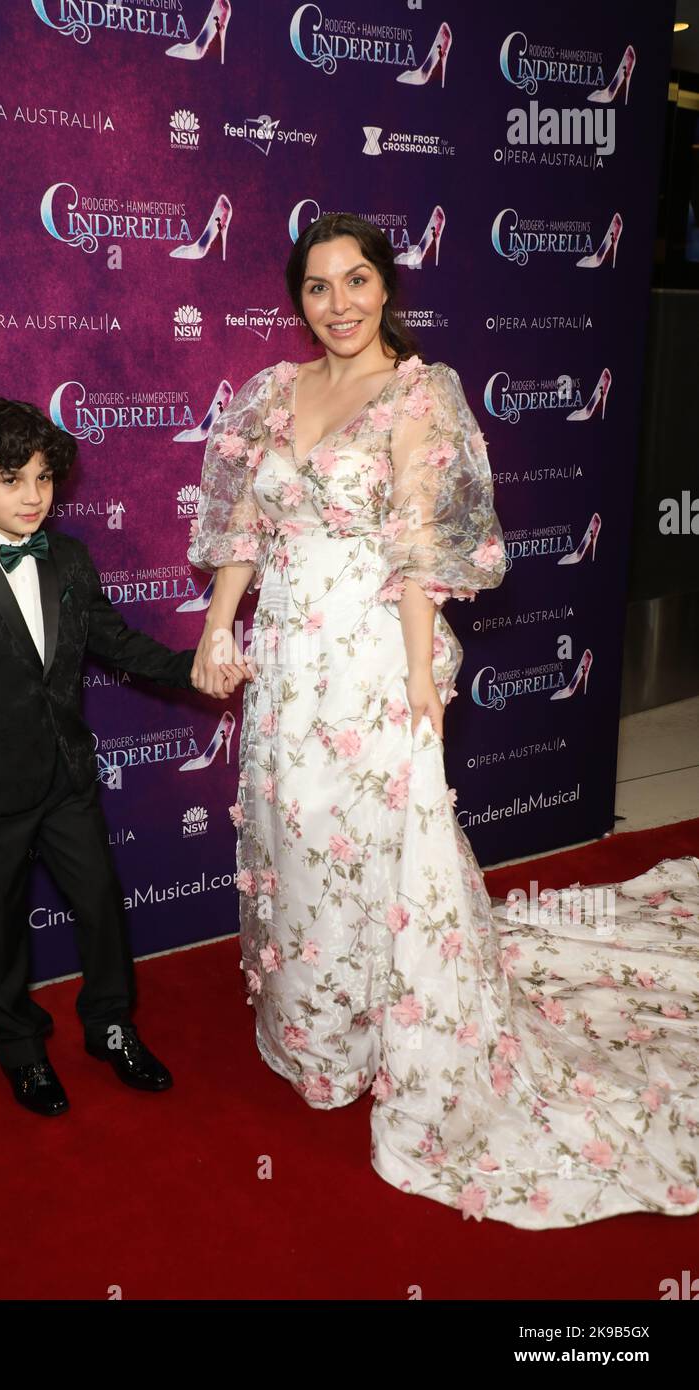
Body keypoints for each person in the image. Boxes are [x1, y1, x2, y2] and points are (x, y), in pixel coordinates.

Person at [186, 212, 699, 1227]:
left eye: (356, 280)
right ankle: (320, 1031)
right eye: (318, 286)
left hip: (371, 652)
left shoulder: (420, 393)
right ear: (298, 298)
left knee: (378, 840)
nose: (337, 304)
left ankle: (395, 1019)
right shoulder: (269, 394)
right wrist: (214, 630)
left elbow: (420, 542)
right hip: (287, 659)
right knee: (298, 838)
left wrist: (419, 671)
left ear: (386, 288)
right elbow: (245, 524)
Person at [0, 397, 234, 1116]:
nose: (33, 496)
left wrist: (192, 665)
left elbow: (115, 642)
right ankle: (20, 1047)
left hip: (68, 777)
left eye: (44, 478)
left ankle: (110, 1027)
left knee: (102, 906)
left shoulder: (69, 556)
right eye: (12, 479)